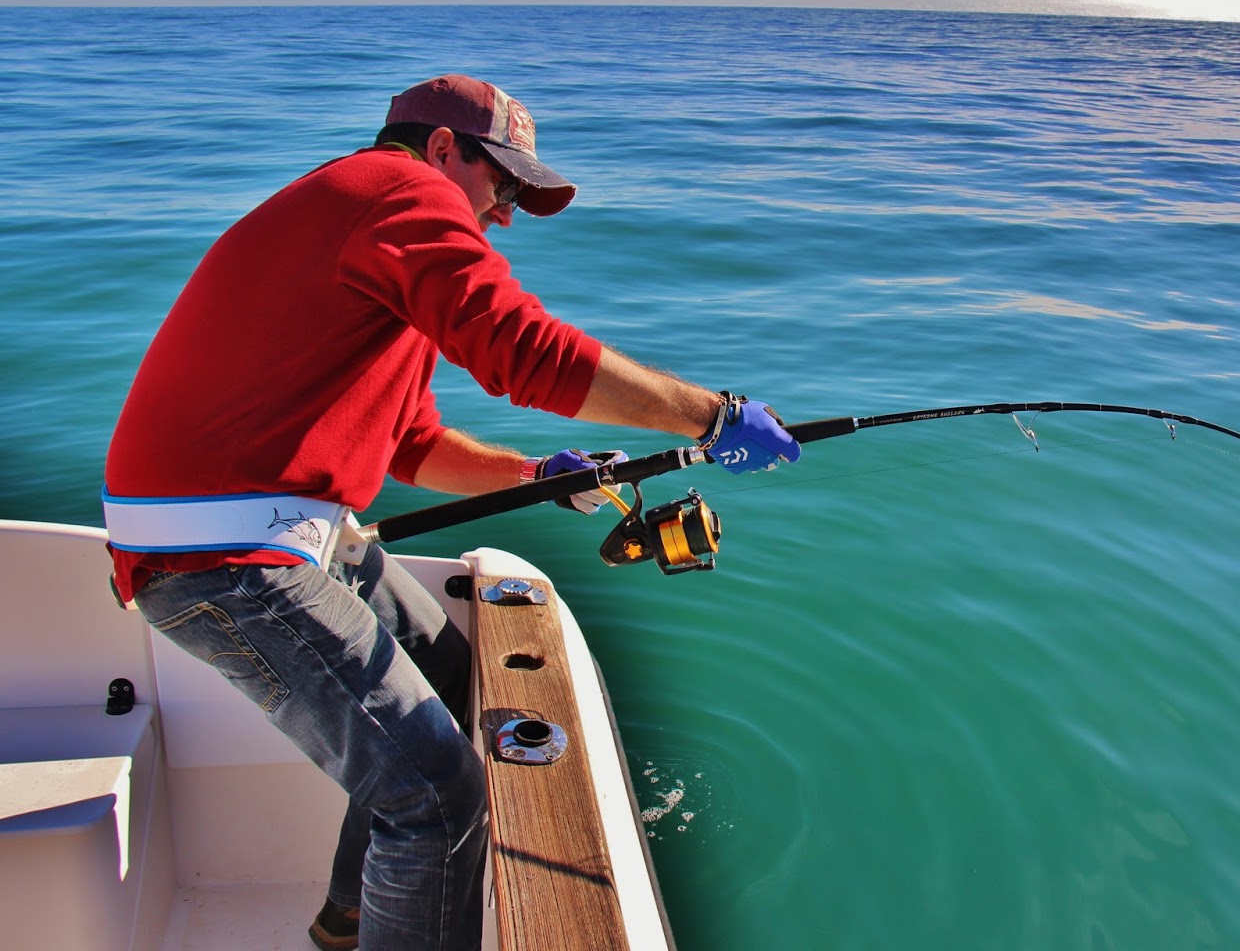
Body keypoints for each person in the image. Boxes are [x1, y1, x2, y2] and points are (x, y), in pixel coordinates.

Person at [102, 73, 800, 950]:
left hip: (280, 533)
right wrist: (712, 415)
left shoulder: (365, 235)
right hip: (224, 559)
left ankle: (350, 917)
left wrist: (537, 474)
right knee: (436, 797)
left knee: (453, 678)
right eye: (502, 184)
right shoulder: (396, 189)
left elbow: (410, 444)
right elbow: (524, 352)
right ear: (441, 149)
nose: (504, 214)